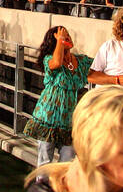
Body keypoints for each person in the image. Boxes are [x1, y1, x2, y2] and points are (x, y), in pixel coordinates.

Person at [27, 25, 91, 165]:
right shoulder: (49, 59)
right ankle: (42, 186)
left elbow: (97, 70)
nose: (67, 38)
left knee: (67, 160)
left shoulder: (81, 61)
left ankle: (60, 186)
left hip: (68, 120)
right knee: (45, 161)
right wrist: (60, 41)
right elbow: (56, 62)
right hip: (48, 118)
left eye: (67, 35)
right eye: (63, 37)